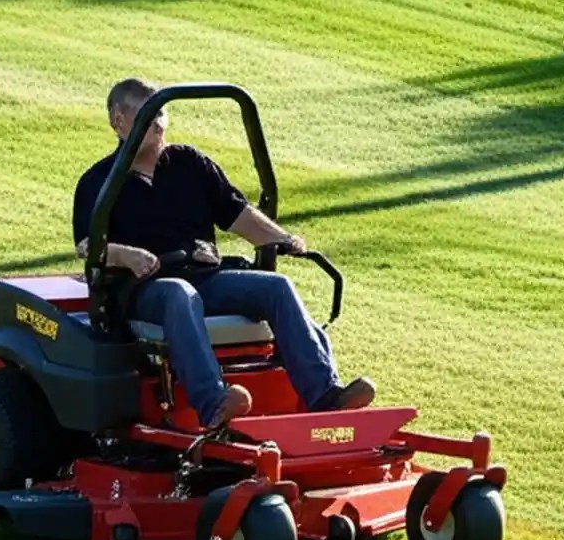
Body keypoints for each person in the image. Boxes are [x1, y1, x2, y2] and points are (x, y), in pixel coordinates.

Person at [72, 78, 374, 427]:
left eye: (161, 115)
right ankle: (213, 403)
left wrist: (283, 238)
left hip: (205, 276)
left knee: (275, 287)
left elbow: (236, 212)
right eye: (147, 115)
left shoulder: (189, 163)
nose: (157, 124)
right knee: (179, 294)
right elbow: (87, 246)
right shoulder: (99, 180)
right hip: (145, 289)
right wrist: (127, 255)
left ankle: (326, 396)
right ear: (119, 120)